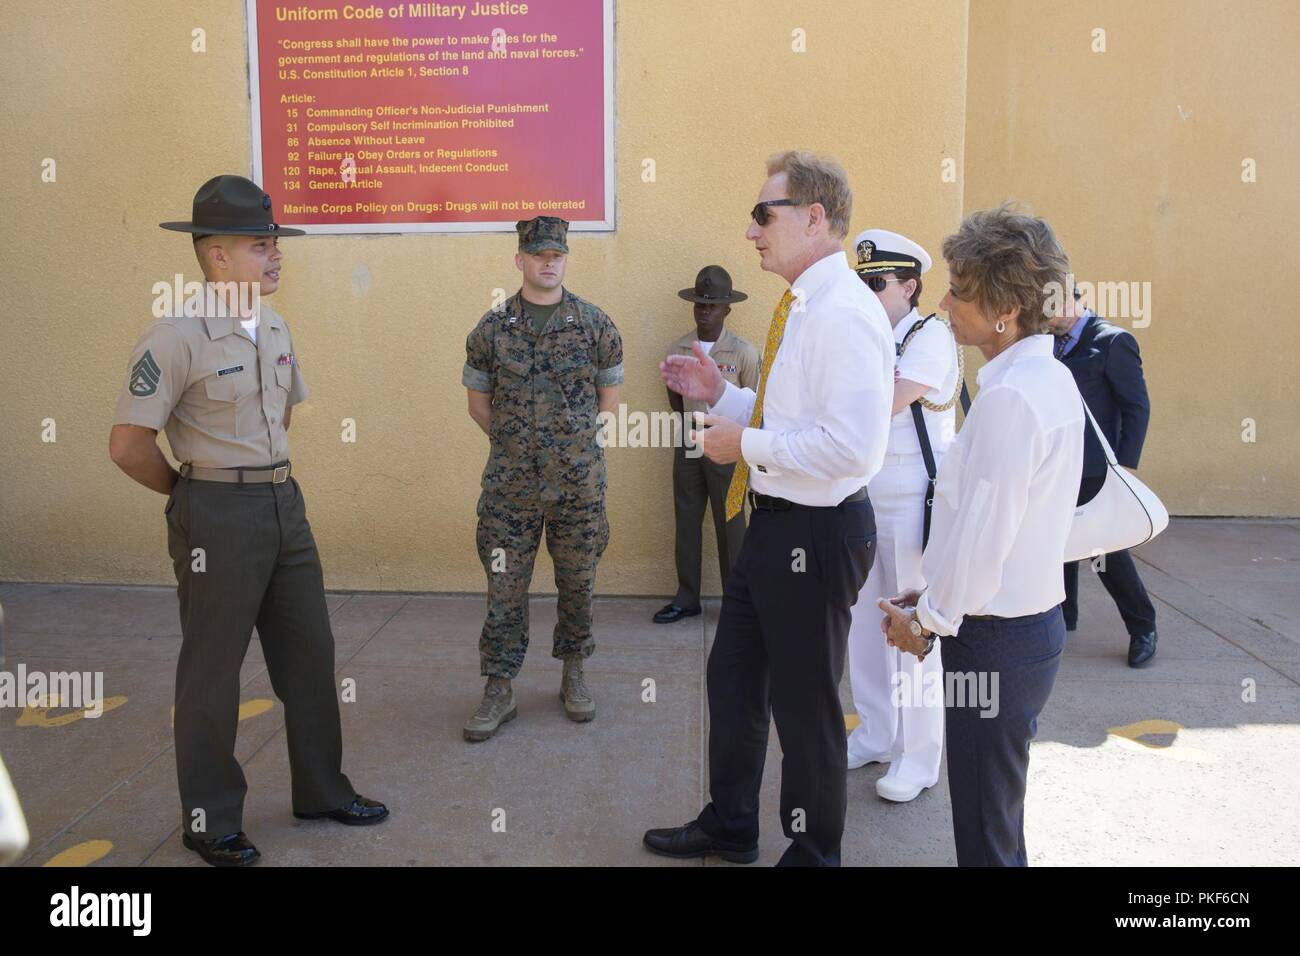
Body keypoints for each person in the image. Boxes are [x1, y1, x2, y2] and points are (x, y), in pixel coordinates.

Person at [109, 175, 387, 868]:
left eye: (275, 243)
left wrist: (261, 484)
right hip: (215, 512)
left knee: (311, 655)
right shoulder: (175, 337)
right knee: (212, 671)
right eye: (260, 245)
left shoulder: (277, 326)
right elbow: (128, 445)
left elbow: (282, 412)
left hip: (282, 504)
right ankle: (209, 820)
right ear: (216, 257)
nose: (275, 255)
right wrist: (191, 497)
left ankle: (322, 790)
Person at [643, 150, 893, 866]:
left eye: (763, 214)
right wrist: (718, 393)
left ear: (814, 218)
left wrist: (743, 444)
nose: (751, 231)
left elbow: (850, 450)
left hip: (815, 533)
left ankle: (814, 853)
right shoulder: (805, 306)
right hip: (776, 526)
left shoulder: (844, 313)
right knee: (734, 680)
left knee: (806, 708)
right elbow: (790, 418)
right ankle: (731, 826)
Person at [879, 204, 1083, 866]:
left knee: (984, 834)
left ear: (1006, 308)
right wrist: (935, 603)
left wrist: (928, 621)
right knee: (997, 822)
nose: (943, 302)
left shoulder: (1010, 399)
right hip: (1022, 631)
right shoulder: (1046, 380)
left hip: (994, 639)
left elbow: (985, 535)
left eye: (960, 290)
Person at [462, 216, 623, 740]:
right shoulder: (491, 329)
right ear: (520, 261)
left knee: (578, 583)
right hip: (510, 491)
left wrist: (566, 449)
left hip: (578, 488)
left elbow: (608, 405)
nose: (548, 262)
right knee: (504, 587)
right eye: (538, 255)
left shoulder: (596, 326)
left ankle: (573, 674)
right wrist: (518, 446)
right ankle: (499, 685)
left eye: (556, 254)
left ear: (565, 259)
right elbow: (478, 404)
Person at [845, 229, 961, 803]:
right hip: (864, 492)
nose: (866, 291)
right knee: (865, 623)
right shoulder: (867, 333)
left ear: (910, 287)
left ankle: (918, 758)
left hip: (913, 497)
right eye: (860, 281)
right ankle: (874, 732)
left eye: (878, 282)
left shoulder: (929, 334)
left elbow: (880, 400)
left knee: (914, 628)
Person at [1051, 289, 1157, 666]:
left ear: (1076, 298)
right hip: (1056, 464)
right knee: (1058, 542)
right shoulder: (1048, 343)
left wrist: (1124, 467)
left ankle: (1143, 626)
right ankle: (1065, 617)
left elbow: (1136, 406)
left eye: (1055, 304)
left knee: (1103, 551)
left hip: (1097, 466)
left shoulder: (1112, 341)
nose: (1049, 314)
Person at [654, 266, 760, 624]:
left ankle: (737, 601)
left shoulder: (743, 352)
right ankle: (687, 598)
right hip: (690, 439)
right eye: (700, 304)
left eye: (713, 306)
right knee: (686, 519)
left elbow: (755, 404)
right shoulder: (680, 347)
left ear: (727, 309)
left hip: (728, 443)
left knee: (730, 522)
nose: (704, 311)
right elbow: (675, 395)